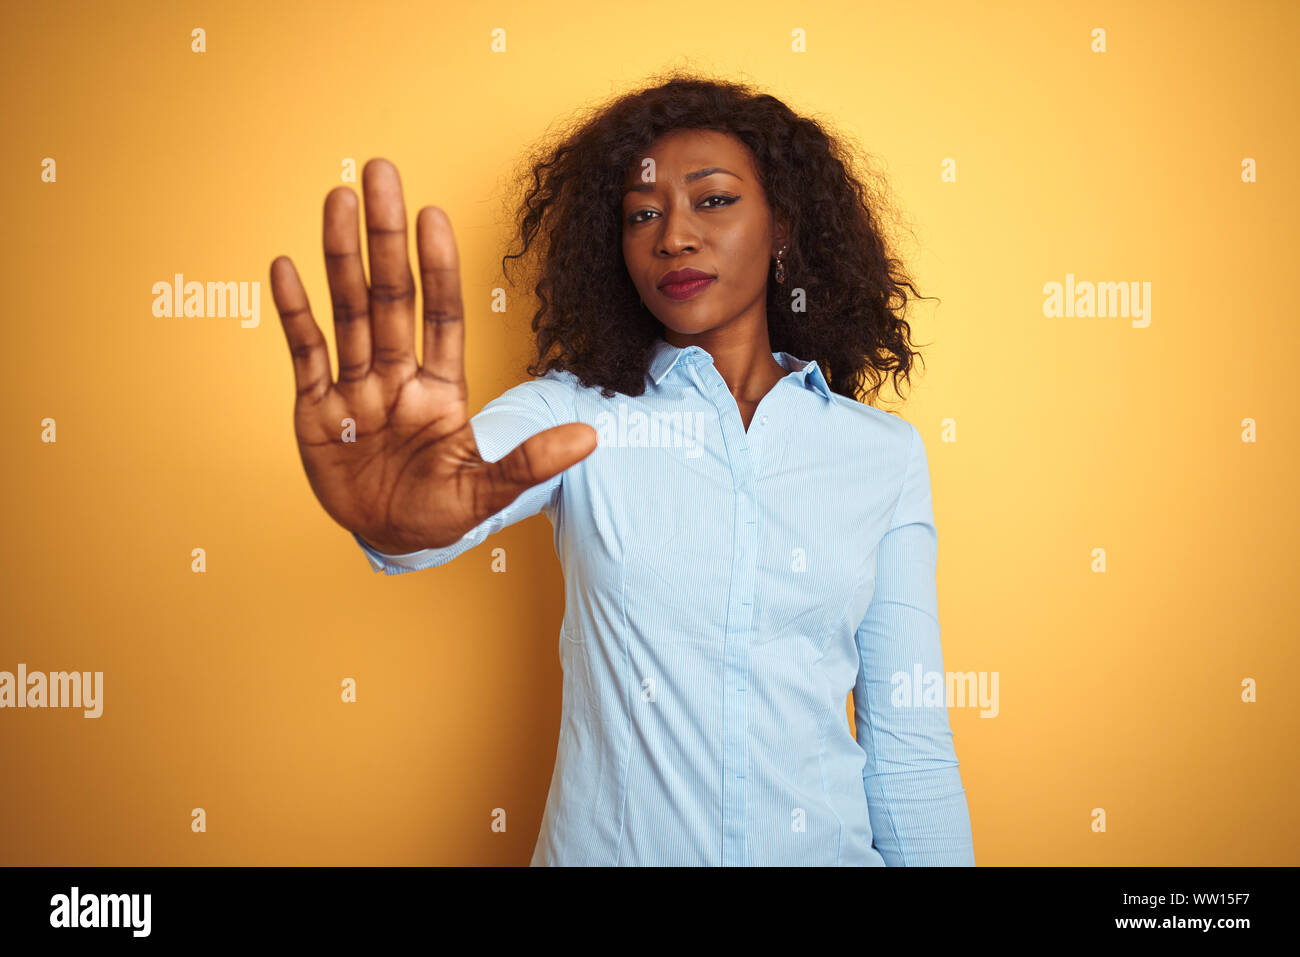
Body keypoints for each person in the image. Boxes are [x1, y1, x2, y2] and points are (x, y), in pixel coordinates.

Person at [269, 74, 975, 866]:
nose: (673, 235)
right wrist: (395, 513)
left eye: (712, 201)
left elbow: (910, 746)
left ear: (783, 226)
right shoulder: (571, 414)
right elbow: (440, 501)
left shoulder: (880, 454)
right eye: (643, 214)